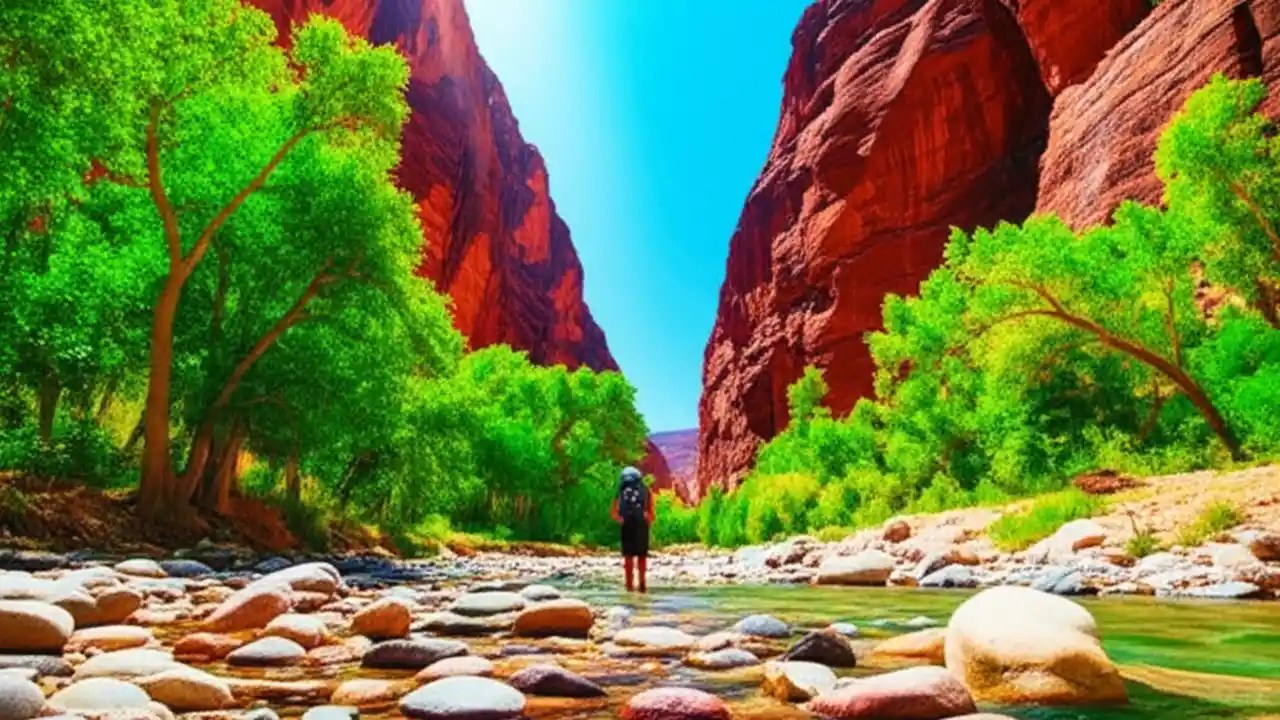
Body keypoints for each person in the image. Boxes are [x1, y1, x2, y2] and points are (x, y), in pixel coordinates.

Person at [611, 465, 655, 592]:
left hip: (627, 524)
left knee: (628, 556)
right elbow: (651, 513)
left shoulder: (620, 489)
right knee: (642, 556)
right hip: (642, 523)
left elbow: (613, 512)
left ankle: (629, 586)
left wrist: (621, 520)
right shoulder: (646, 490)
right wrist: (647, 521)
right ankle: (642, 585)